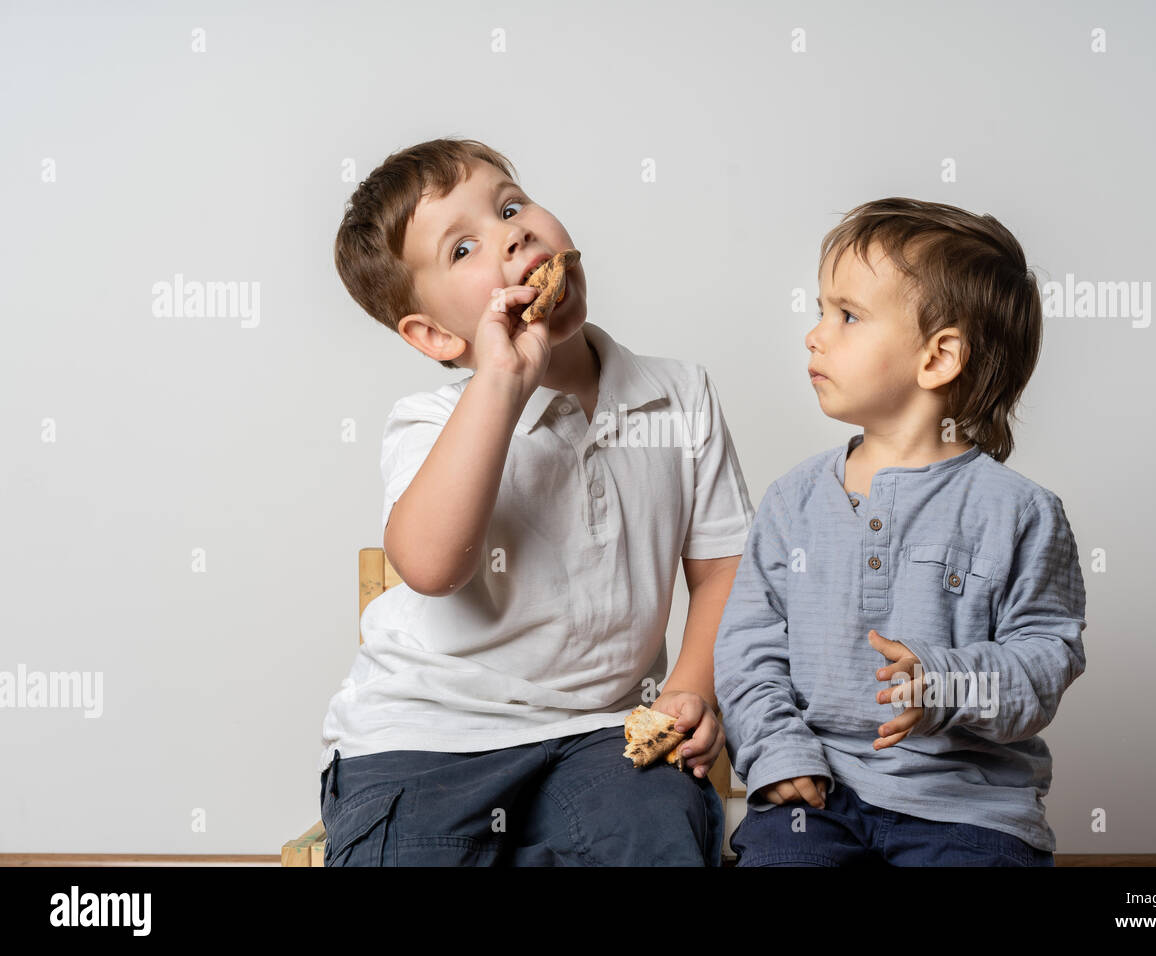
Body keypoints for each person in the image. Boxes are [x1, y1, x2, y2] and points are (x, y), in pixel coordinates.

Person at [318, 138, 754, 865]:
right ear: (434, 335)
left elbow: (723, 571)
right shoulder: (430, 423)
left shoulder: (680, 397)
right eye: (463, 249)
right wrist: (500, 385)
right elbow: (430, 565)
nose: (513, 232)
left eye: (511, 205)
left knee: (660, 841)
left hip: (604, 730)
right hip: (429, 735)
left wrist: (687, 690)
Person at [714, 198, 1087, 866]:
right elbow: (749, 653)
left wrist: (944, 681)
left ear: (939, 357)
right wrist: (779, 755)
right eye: (821, 309)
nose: (815, 334)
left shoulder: (1023, 513)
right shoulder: (791, 503)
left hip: (969, 812)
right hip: (820, 797)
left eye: (847, 315)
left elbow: (1045, 664)